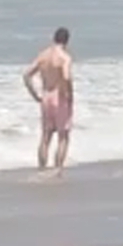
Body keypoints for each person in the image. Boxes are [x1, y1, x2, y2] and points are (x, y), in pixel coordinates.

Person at [23, 27, 75, 176]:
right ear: (67, 41)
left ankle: (41, 169)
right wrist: (69, 93)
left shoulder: (43, 55)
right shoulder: (65, 57)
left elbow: (26, 75)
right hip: (60, 96)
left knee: (46, 136)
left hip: (46, 97)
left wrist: (34, 94)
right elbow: (66, 77)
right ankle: (57, 170)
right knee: (63, 136)